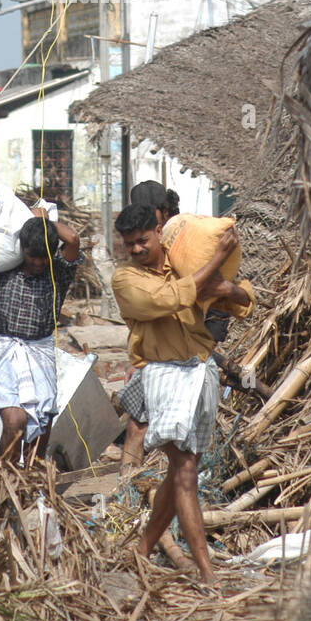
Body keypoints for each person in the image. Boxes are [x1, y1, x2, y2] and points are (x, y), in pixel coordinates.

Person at [112, 202, 253, 584]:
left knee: (179, 472)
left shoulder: (185, 263)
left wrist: (227, 288)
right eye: (130, 245)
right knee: (186, 471)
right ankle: (206, 571)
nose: (137, 250)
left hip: (200, 371)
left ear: (158, 234)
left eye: (143, 240)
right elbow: (168, 300)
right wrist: (217, 261)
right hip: (163, 374)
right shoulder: (125, 280)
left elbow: (242, 301)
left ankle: (141, 550)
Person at [119, 181, 234, 467]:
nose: (138, 244)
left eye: (149, 222)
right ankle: (128, 494)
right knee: (138, 426)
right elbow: (153, 303)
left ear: (163, 218)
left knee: (186, 451)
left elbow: (220, 305)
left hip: (193, 361)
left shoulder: (187, 249)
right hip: (158, 363)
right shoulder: (132, 273)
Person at [0, 206, 82, 464]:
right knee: (15, 422)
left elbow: (73, 239)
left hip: (40, 351)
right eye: (32, 257)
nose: (38, 264)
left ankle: (34, 484)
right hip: (5, 350)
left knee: (42, 422)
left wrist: (42, 218)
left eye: (43, 258)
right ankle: (5, 478)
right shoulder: (2, 271)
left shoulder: (57, 274)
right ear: (21, 251)